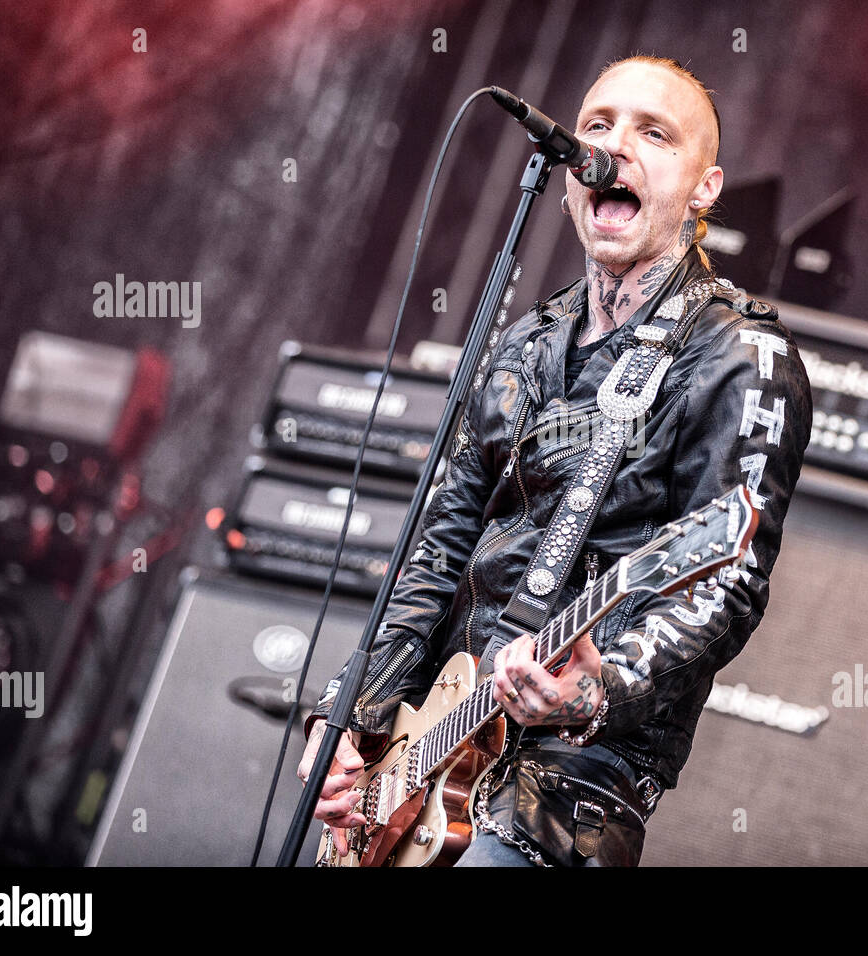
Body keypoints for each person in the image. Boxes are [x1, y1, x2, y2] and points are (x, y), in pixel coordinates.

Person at [298, 54, 813, 866]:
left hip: (572, 784)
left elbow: (727, 582)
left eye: (655, 134)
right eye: (598, 126)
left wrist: (597, 687)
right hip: (424, 755)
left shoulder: (741, 356)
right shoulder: (522, 344)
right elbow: (439, 546)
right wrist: (354, 717)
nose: (614, 147)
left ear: (705, 188)